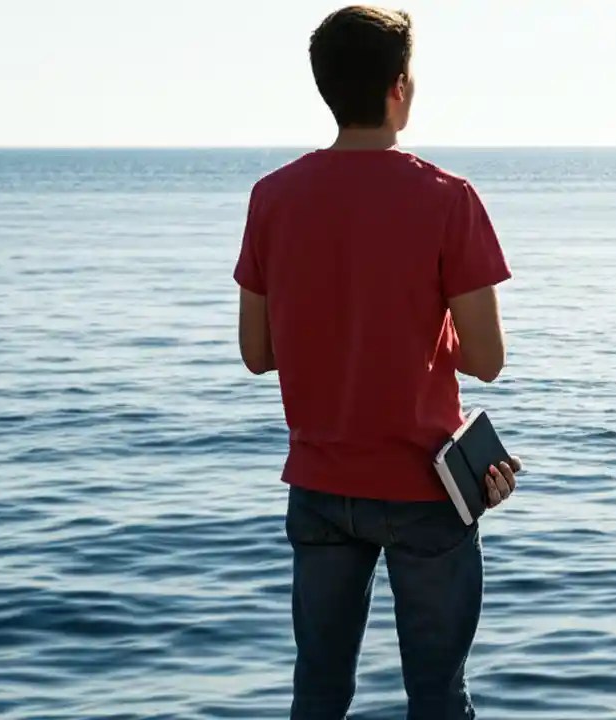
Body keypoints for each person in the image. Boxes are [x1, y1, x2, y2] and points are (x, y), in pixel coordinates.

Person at [233, 6, 521, 718]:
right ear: (399, 87)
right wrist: (421, 335)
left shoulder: (272, 197)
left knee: (319, 694)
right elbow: (487, 360)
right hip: (427, 489)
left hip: (320, 486)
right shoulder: (449, 198)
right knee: (437, 696)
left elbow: (257, 353)